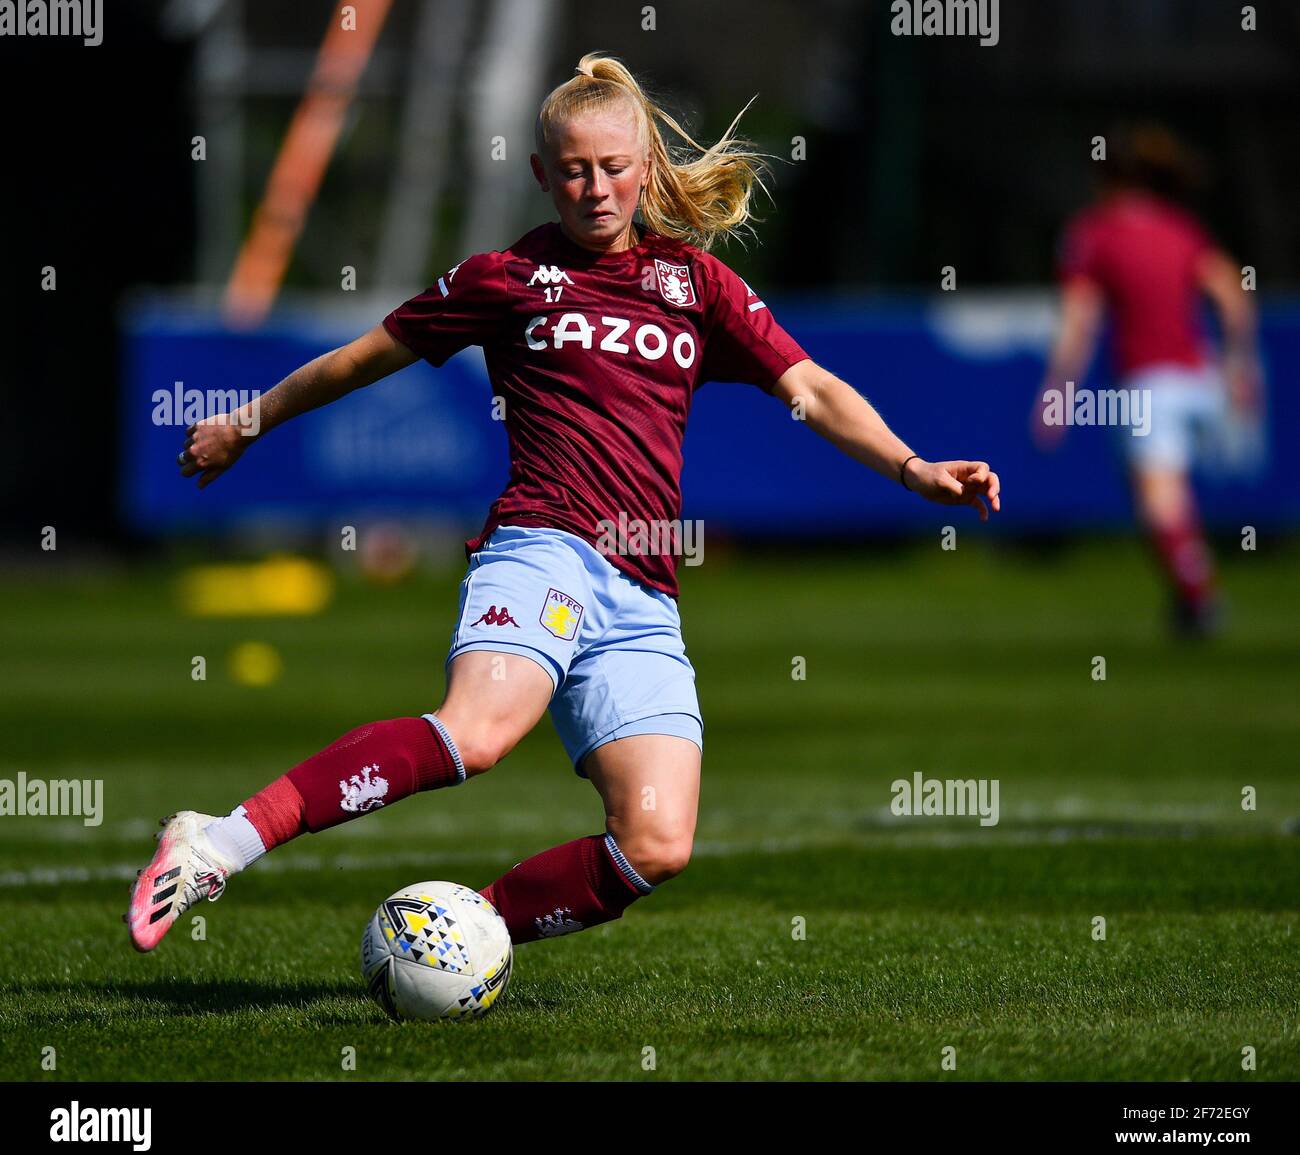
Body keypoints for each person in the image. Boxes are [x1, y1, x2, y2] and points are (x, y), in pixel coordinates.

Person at [127, 53, 1000, 953]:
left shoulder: (698, 286)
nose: (595, 187)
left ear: (648, 167)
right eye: (574, 169)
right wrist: (249, 420)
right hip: (542, 546)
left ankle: (468, 932)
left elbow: (810, 388)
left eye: (615, 166)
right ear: (542, 173)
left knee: (658, 842)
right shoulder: (503, 278)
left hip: (645, 595)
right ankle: (219, 841)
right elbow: (362, 357)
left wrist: (912, 466)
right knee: (476, 733)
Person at [1035, 124, 1262, 636]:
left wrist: (1057, 394)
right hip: (1201, 379)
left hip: (1148, 389)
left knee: (1158, 502)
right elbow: (1231, 295)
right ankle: (1191, 599)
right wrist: (1240, 366)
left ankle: (1200, 598)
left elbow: (1079, 322)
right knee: (1170, 496)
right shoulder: (1181, 228)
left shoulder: (1092, 234)